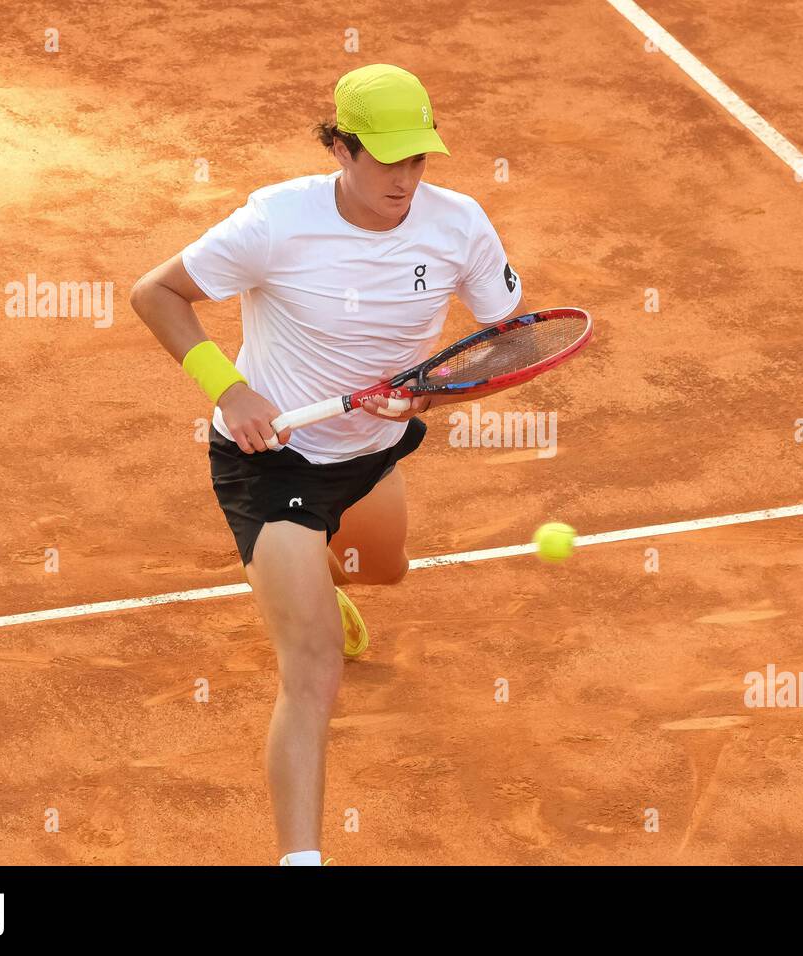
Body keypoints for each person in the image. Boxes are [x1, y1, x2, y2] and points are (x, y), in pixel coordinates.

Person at [129, 63, 529, 865]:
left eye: (419, 160)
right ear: (342, 148)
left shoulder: (458, 227)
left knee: (385, 572)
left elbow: (510, 337)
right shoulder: (277, 222)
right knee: (311, 671)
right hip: (273, 460)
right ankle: (302, 858)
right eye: (388, 159)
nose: (406, 179)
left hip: (373, 450)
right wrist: (231, 389)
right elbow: (156, 294)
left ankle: (322, 582)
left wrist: (429, 397)